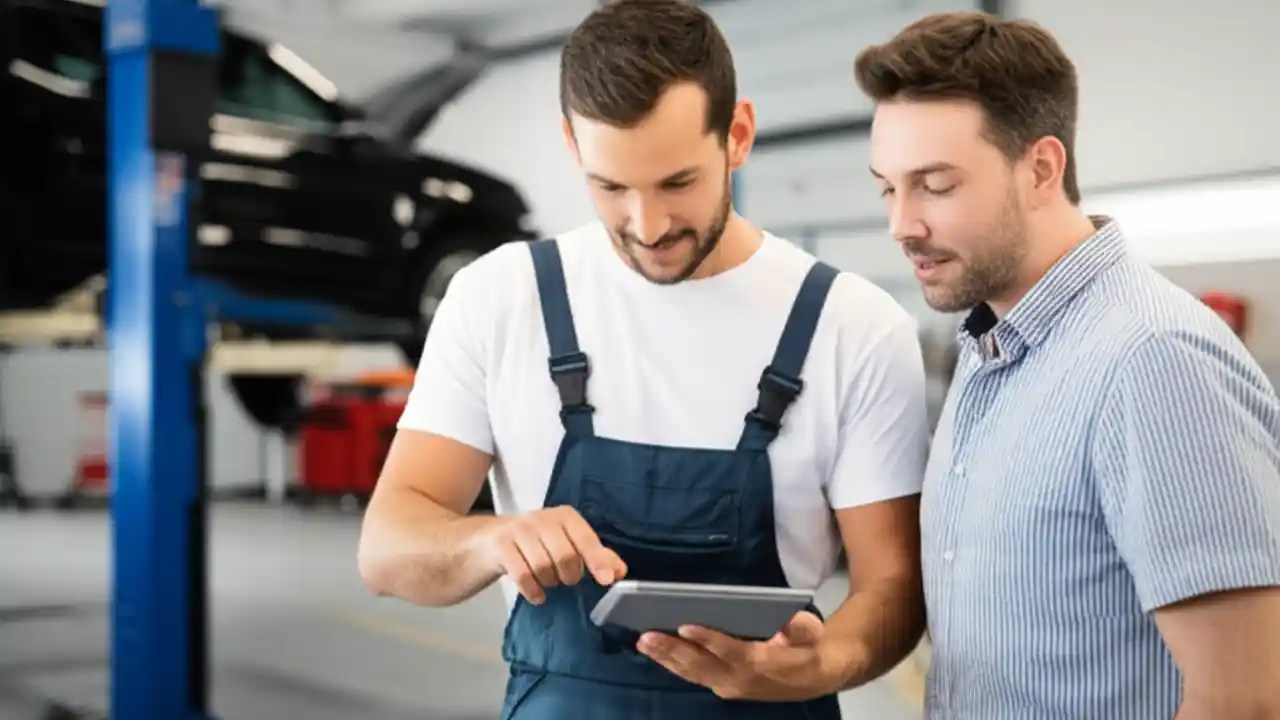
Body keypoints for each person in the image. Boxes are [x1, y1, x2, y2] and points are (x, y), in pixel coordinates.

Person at [357, 1, 932, 717]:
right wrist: (494, 540)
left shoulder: (854, 328)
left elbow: (894, 590)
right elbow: (386, 551)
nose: (648, 225)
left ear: (739, 136)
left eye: (677, 183)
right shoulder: (498, 300)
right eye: (611, 187)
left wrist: (825, 662)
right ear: (573, 146)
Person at [853, 11, 1280, 719]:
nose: (902, 223)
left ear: (1042, 169)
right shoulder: (989, 350)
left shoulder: (1151, 361)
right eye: (887, 188)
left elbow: (1247, 698)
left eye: (934, 184)